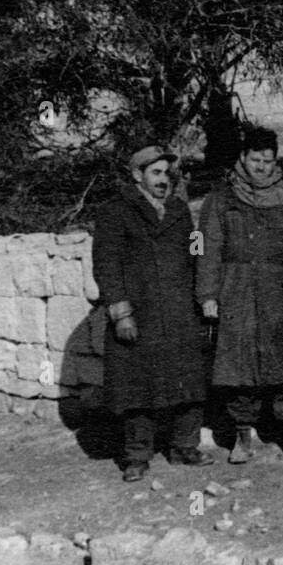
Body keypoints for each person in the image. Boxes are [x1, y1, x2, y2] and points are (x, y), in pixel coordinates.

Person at [197, 126, 283, 464]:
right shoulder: (220, 199)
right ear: (243, 158)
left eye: (268, 161)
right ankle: (242, 436)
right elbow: (207, 248)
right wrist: (207, 294)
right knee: (239, 368)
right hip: (236, 291)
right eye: (255, 160)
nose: (262, 167)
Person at [90, 145, 214, 482]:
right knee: (137, 389)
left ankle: (185, 446)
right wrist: (121, 313)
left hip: (178, 311)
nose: (163, 180)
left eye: (166, 173)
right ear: (137, 176)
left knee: (188, 380)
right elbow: (107, 265)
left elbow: (195, 252)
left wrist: (204, 296)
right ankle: (137, 456)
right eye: (155, 173)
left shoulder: (178, 209)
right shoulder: (115, 211)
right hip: (139, 313)